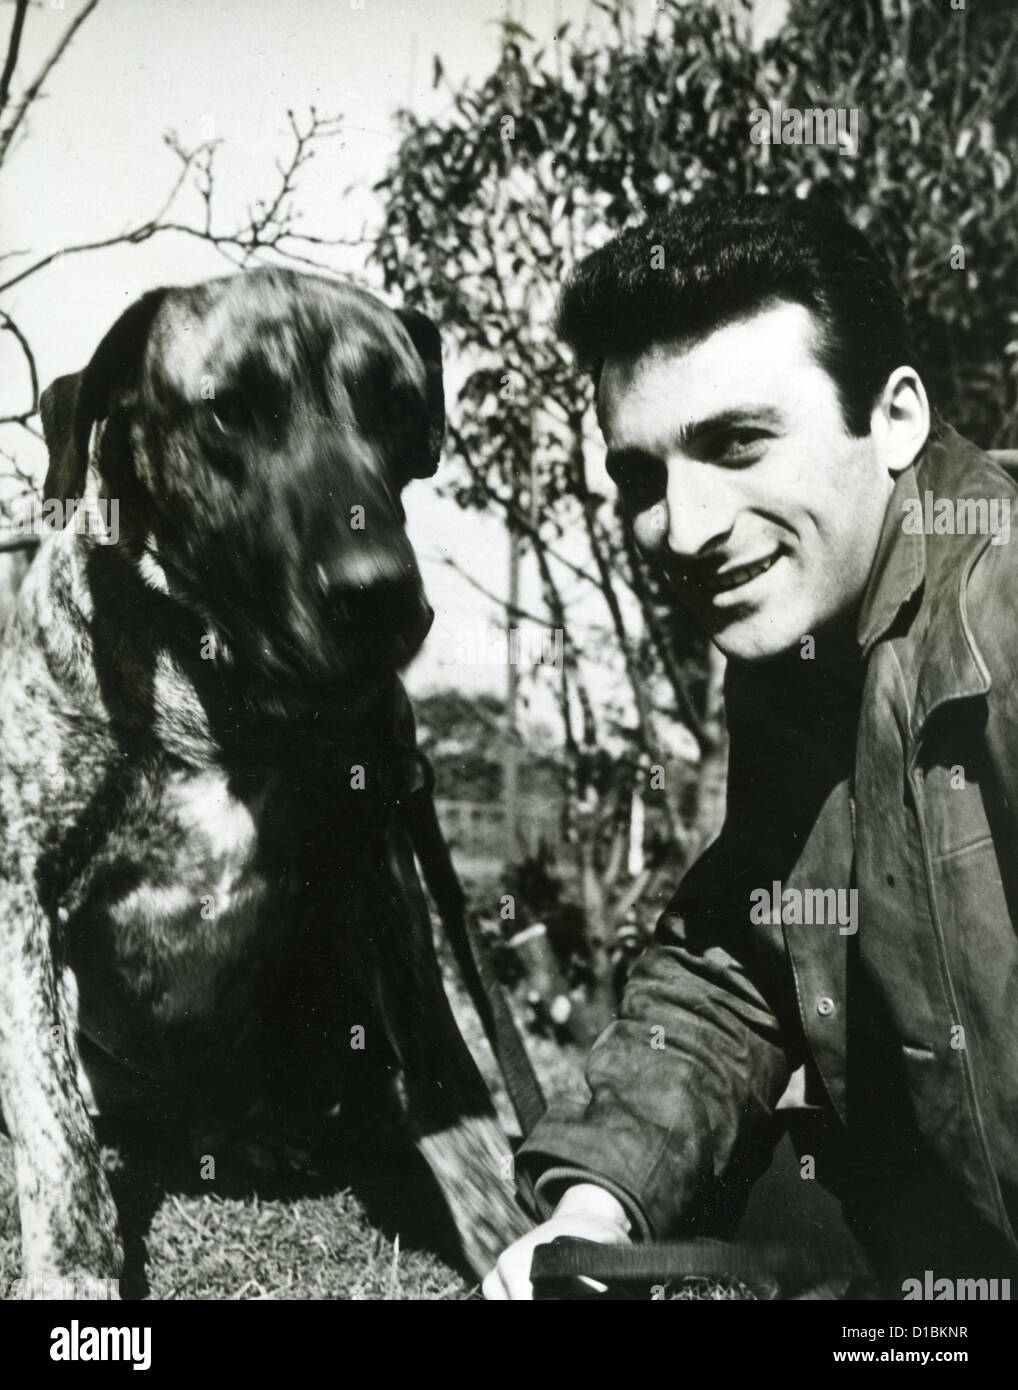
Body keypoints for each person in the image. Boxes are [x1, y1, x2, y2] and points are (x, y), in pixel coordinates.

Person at [483, 194, 1018, 1300]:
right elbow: (743, 955)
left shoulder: (1000, 609)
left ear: (897, 418)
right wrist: (595, 1207)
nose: (682, 529)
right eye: (641, 476)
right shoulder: (804, 652)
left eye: (737, 442)